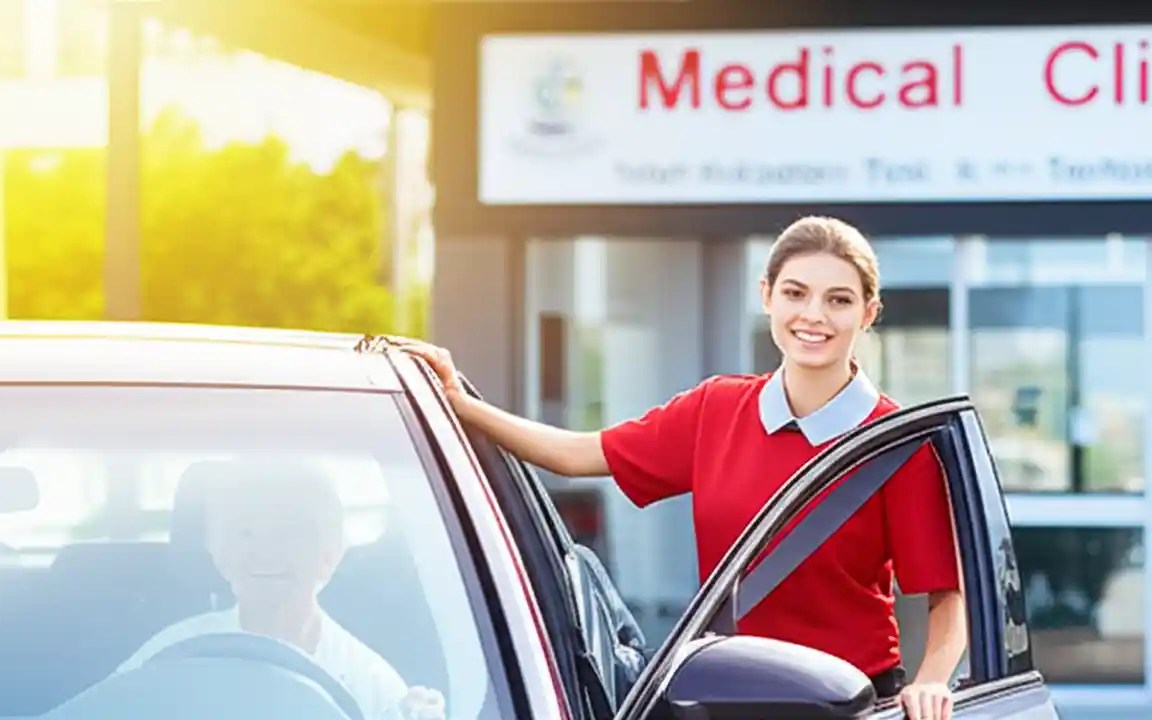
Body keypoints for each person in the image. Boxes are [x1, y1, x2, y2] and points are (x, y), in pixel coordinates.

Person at [388, 215, 966, 720]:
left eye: (838, 299)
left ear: (869, 312)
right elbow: (579, 452)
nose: (813, 315)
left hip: (851, 707)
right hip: (726, 701)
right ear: (766, 296)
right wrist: (462, 406)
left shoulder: (899, 444)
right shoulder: (715, 409)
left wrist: (933, 679)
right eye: (795, 293)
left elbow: (948, 596)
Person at [115, 460, 445, 720]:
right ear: (215, 547)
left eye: (288, 533)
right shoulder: (171, 655)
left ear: (328, 552)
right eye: (244, 532)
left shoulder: (372, 683)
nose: (264, 552)